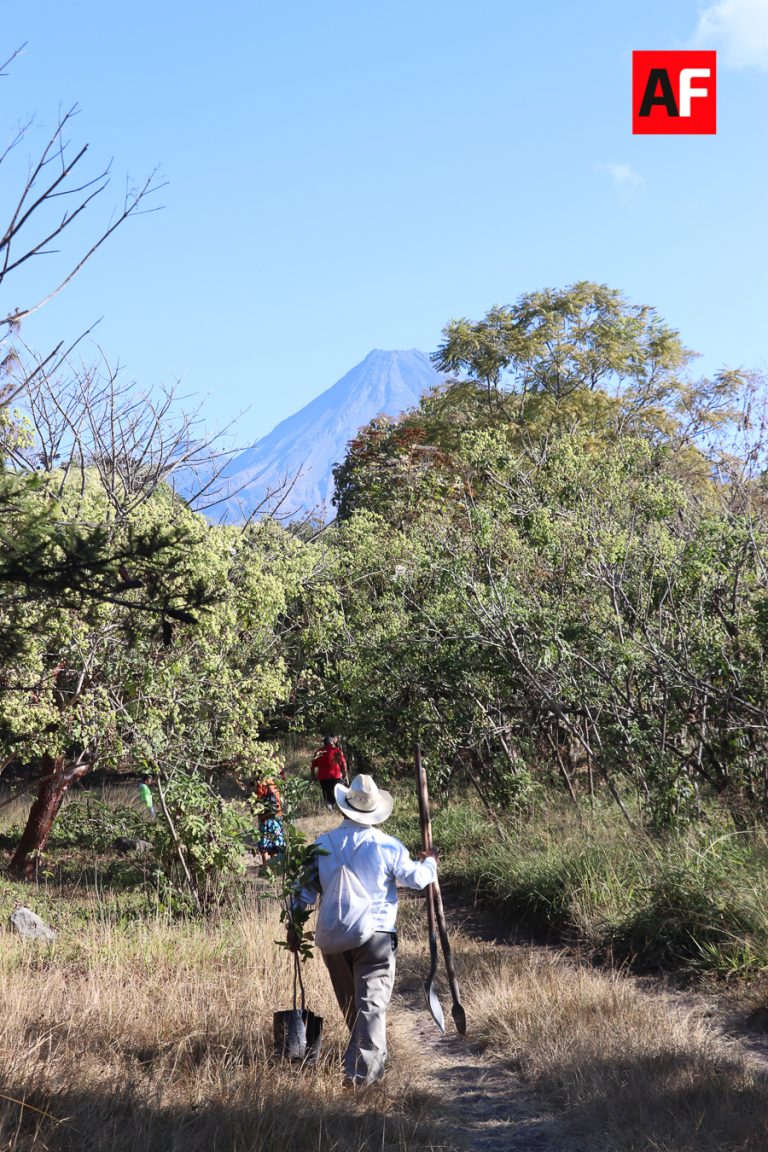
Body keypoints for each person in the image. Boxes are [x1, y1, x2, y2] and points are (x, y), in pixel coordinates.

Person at [288, 773, 438, 1088]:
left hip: (334, 937)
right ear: (373, 811)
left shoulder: (323, 844)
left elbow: (302, 891)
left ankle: (365, 1068)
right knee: (370, 1008)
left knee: (354, 1008)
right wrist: (431, 864)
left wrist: (294, 923)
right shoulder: (387, 846)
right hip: (376, 938)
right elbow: (417, 879)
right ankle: (362, 1081)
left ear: (344, 808)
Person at [310, 735, 349, 811]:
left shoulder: (319, 752)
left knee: (327, 793)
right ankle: (339, 807)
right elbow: (343, 763)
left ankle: (329, 806)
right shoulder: (335, 751)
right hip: (335, 776)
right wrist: (344, 773)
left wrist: (312, 775)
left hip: (323, 777)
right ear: (331, 742)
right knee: (338, 793)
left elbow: (313, 765)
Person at [254, 777, 286, 865]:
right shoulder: (274, 782)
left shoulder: (261, 784)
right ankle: (274, 865)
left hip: (265, 818)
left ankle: (266, 866)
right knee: (276, 842)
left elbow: (257, 800)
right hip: (276, 816)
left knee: (265, 842)